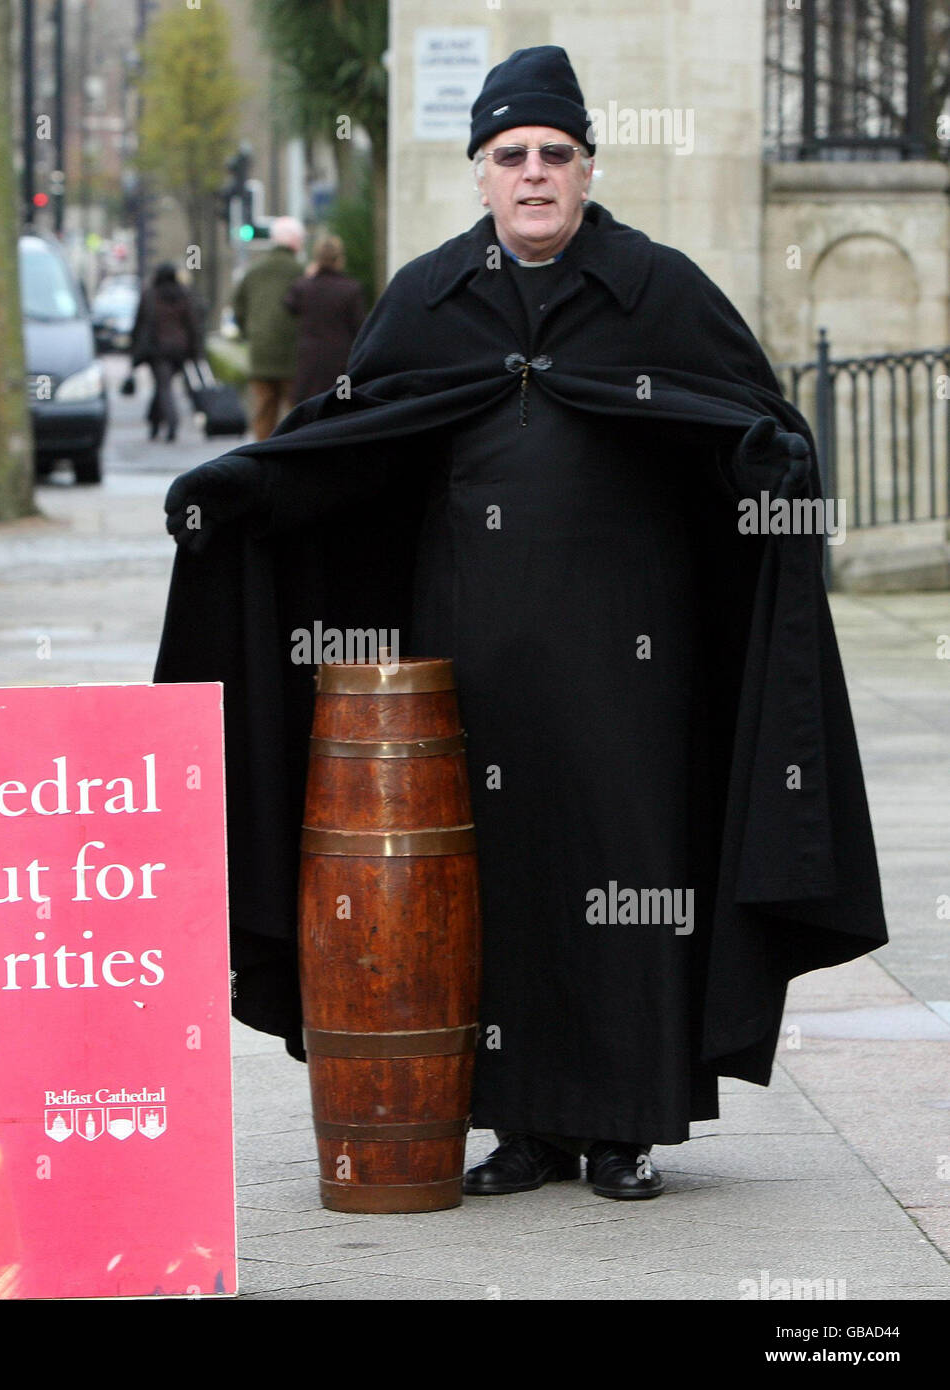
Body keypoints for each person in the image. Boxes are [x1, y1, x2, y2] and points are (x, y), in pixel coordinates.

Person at [152, 47, 887, 1203]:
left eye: (554, 154)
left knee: (628, 866)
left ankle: (622, 1126)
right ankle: (518, 1129)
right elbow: (346, 445)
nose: (534, 174)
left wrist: (768, 458)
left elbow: (751, 421)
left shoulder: (659, 288)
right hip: (472, 657)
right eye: (511, 156)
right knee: (490, 886)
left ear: (586, 167)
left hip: (631, 658)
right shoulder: (430, 298)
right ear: (481, 173)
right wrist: (241, 491)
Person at [232, 217, 304, 440]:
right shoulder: (300, 271)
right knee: (296, 411)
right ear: (295, 242)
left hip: (260, 352)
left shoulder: (254, 271)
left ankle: (260, 459)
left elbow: (238, 307)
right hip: (293, 353)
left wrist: (248, 334)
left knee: (264, 411)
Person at [282, 234, 368, 405]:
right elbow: (360, 327)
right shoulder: (351, 289)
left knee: (308, 411)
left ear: (317, 259)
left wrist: (308, 276)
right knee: (341, 408)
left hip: (309, 362)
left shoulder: (304, 287)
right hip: (341, 363)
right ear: (340, 259)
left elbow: (289, 305)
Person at [129, 263, 201, 442]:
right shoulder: (184, 294)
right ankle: (154, 422)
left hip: (158, 350)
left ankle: (172, 422)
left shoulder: (150, 295)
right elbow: (193, 324)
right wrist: (196, 350)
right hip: (180, 350)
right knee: (162, 386)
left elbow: (139, 323)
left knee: (163, 387)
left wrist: (133, 348)